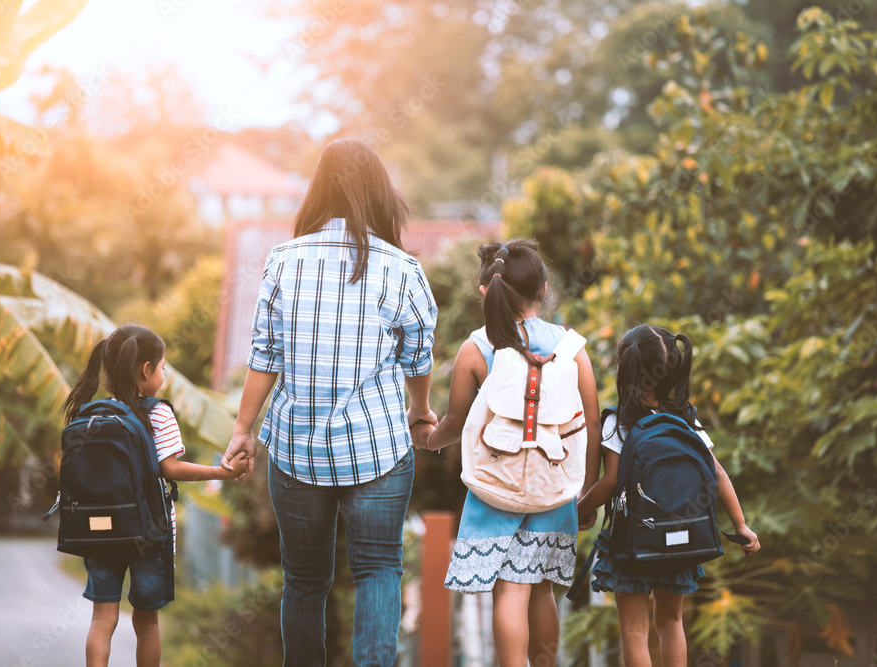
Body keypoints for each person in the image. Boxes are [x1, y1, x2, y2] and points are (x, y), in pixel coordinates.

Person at [221, 138, 438, 667]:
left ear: (319, 191)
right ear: (380, 193)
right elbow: (418, 357)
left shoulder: (282, 260)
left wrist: (242, 430)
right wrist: (419, 410)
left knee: (304, 581)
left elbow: (264, 357)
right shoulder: (402, 269)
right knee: (379, 570)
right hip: (379, 447)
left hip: (297, 450)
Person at [422, 239, 601, 667]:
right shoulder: (572, 349)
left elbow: (453, 424)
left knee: (510, 588)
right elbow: (591, 424)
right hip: (555, 485)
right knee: (540, 588)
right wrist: (589, 490)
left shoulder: (477, 348)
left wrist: (426, 439)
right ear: (543, 287)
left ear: (487, 290)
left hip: (494, 490)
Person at [62, 324, 250, 667]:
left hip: (100, 532)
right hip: (148, 532)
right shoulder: (157, 412)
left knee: (102, 619)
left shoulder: (97, 413)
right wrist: (222, 472)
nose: (163, 375)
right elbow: (171, 469)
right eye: (162, 367)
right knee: (146, 620)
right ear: (146, 369)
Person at [577, 323, 761, 667]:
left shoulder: (619, 422)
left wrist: (578, 510)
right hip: (681, 539)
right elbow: (717, 473)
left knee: (634, 629)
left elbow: (612, 481)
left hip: (633, 541)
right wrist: (741, 524)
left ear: (624, 369)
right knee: (671, 622)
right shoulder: (686, 420)